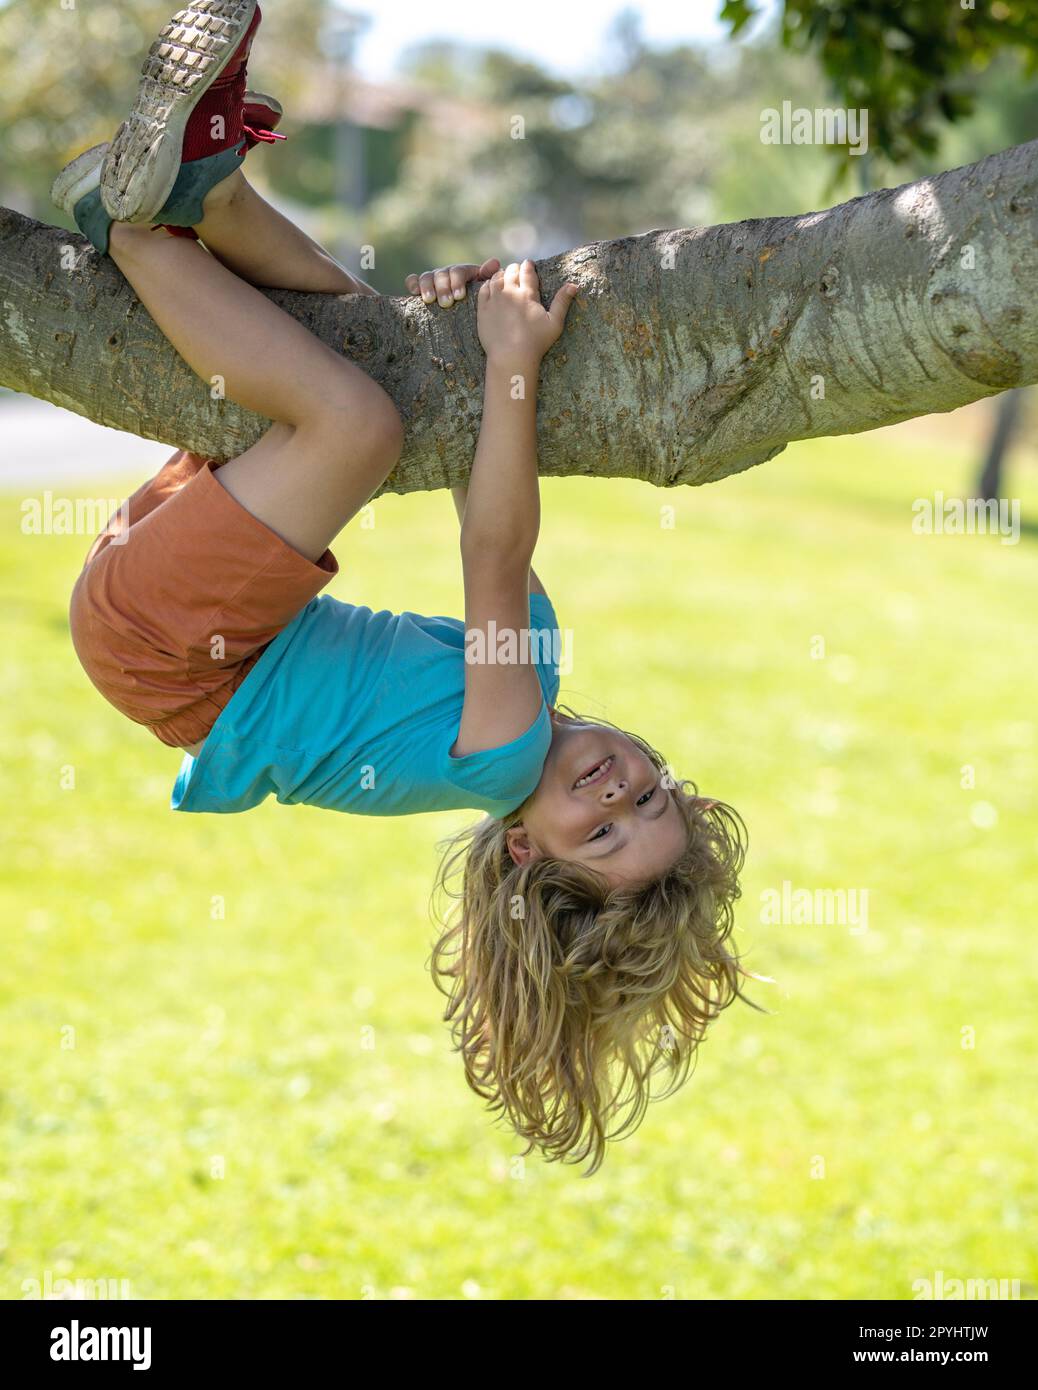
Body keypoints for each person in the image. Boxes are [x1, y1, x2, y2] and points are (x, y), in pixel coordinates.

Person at [53, 0, 757, 1175]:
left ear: (532, 853)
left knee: (357, 423)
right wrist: (458, 357)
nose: (615, 792)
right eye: (651, 798)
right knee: (375, 349)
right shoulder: (527, 711)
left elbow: (492, 550)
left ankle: (135, 233)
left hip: (175, 648)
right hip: (195, 630)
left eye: (599, 828)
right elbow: (491, 519)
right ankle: (205, 186)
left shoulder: (501, 752)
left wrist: (511, 365)